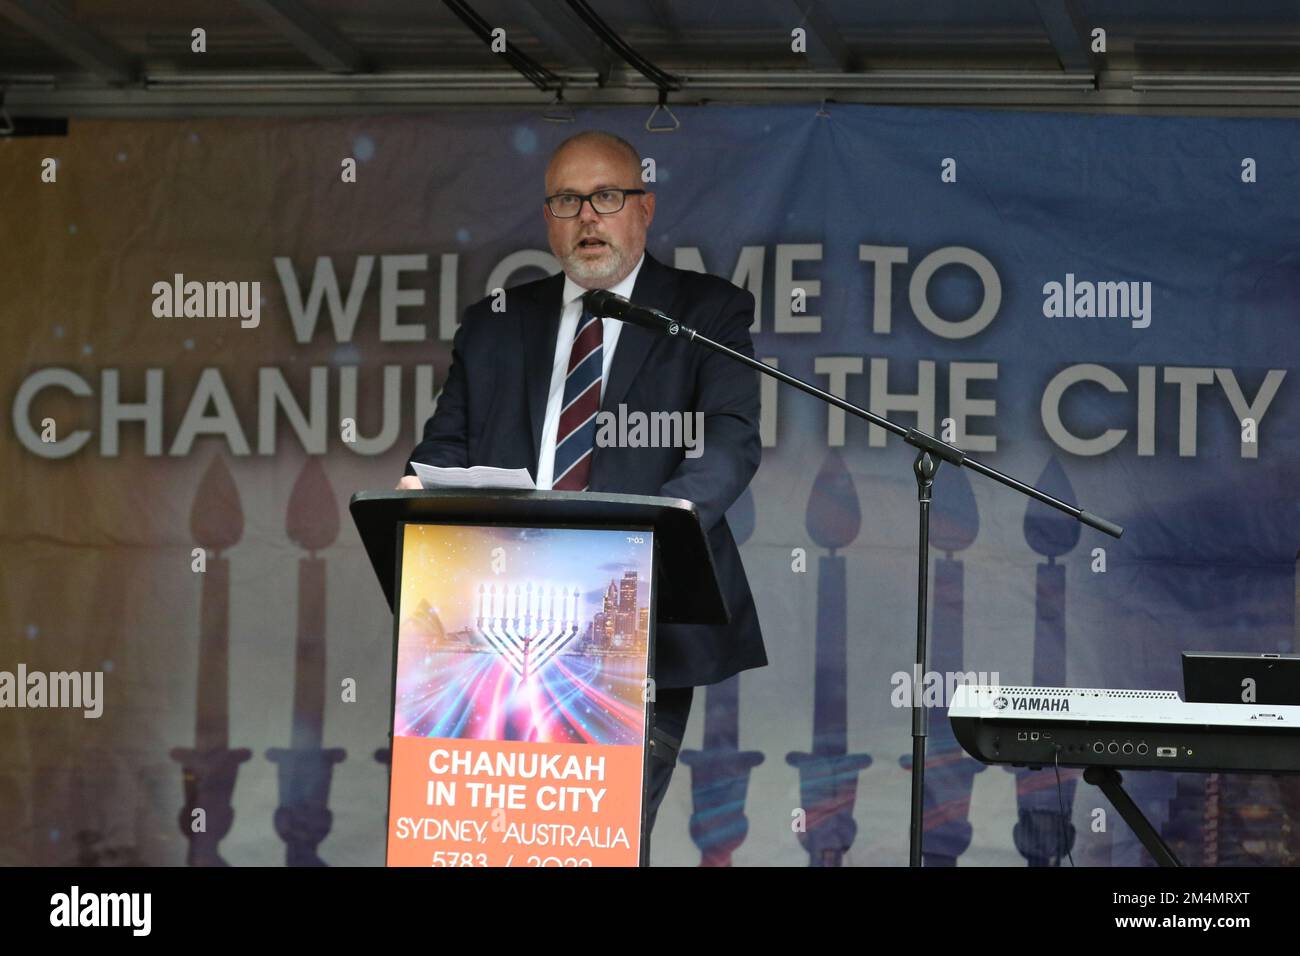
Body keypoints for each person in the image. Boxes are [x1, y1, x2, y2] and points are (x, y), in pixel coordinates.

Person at [397, 129, 765, 842]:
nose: (587, 217)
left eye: (605, 197)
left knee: (601, 838)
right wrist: (424, 485)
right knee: (492, 838)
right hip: (492, 623)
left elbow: (729, 440)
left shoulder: (706, 311)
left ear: (644, 207)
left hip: (635, 618)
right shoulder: (495, 323)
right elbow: (443, 448)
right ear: (547, 218)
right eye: (568, 201)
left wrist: (665, 528)